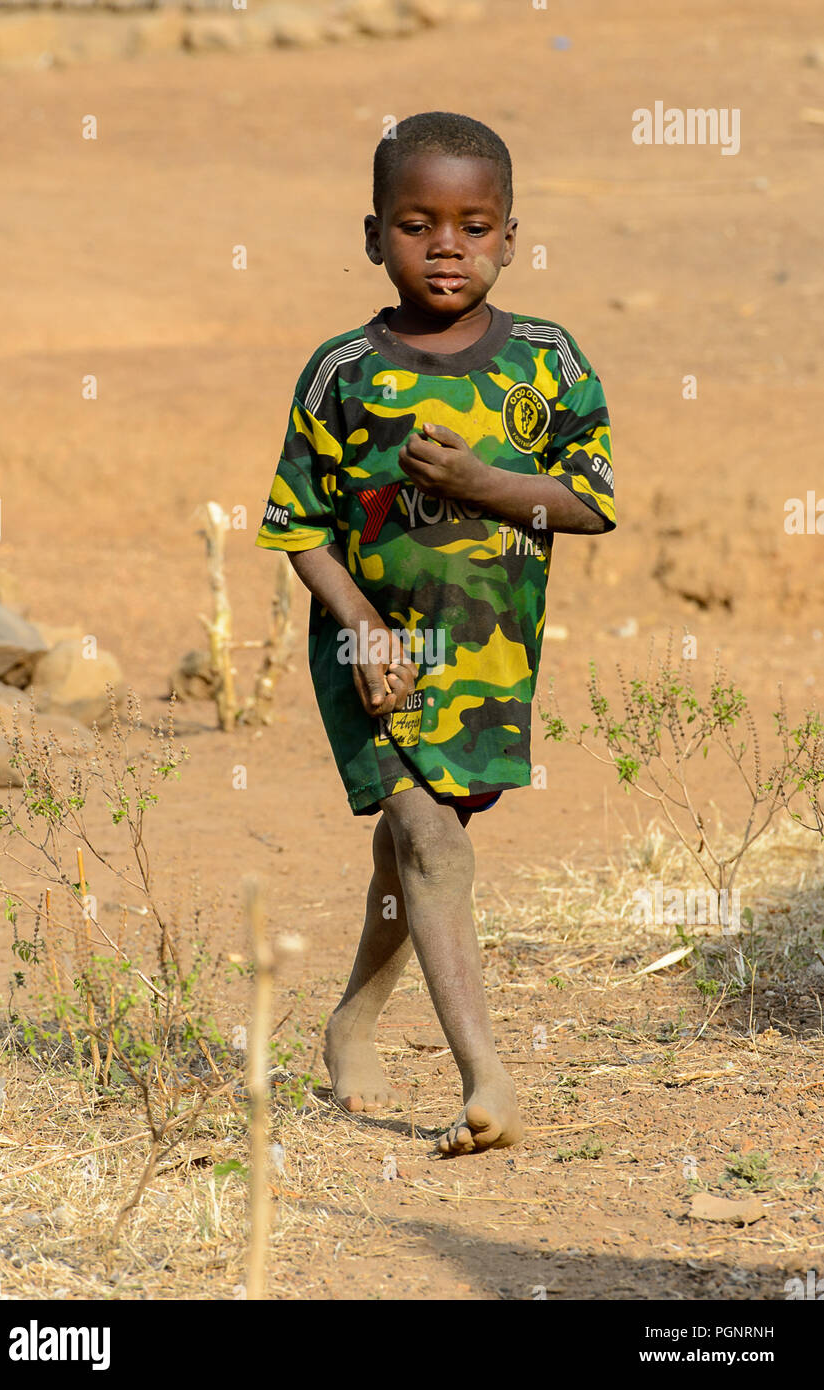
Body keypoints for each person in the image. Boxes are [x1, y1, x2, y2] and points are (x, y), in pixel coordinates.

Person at [256, 111, 616, 1155]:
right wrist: (361, 628)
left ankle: (350, 1023)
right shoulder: (342, 369)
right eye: (417, 224)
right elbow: (296, 527)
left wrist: (480, 483)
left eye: (471, 225)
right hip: (368, 650)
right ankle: (486, 1073)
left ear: (510, 237)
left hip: (491, 653)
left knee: (414, 848)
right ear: (375, 236)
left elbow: (588, 501)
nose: (445, 246)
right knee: (426, 836)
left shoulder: (550, 363)